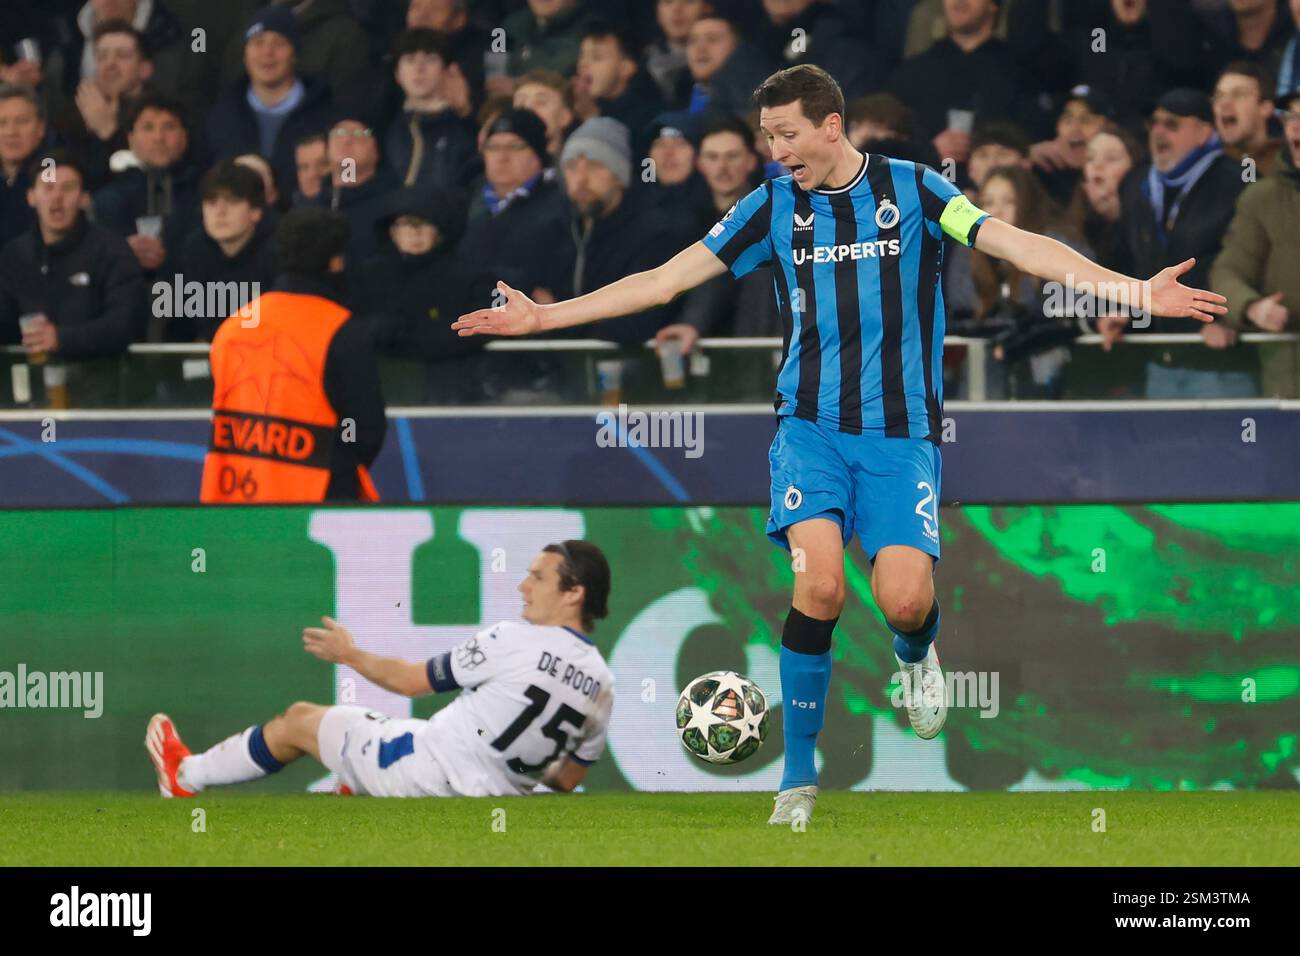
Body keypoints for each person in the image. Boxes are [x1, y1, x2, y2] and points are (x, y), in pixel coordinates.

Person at [453, 64, 1226, 826]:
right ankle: (797, 775)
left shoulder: (917, 190)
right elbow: (663, 280)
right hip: (808, 431)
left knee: (904, 599)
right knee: (819, 587)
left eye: (787, 134)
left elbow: (1019, 246)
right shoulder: (769, 207)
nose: (775, 150)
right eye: (766, 137)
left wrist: (1132, 291)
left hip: (900, 437)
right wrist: (546, 319)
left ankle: (916, 653)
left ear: (831, 125)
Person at [145, 541, 616, 799]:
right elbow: (568, 780)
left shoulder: (515, 639)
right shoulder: (601, 681)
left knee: (298, 720)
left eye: (537, 576)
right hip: (488, 787)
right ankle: (356, 780)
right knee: (375, 734)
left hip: (423, 771)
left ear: (573, 593)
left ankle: (185, 775)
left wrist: (348, 653)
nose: (523, 585)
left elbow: (410, 681)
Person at [200, 207, 386, 503]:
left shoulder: (234, 325)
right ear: (335, 262)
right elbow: (366, 429)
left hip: (236, 498)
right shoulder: (342, 329)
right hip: (319, 499)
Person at [1110, 89, 1254, 397]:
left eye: (1172, 124)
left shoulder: (1237, 183)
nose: (1159, 132)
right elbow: (1123, 258)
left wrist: (1230, 321)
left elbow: (1248, 262)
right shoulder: (1136, 185)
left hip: (1220, 358)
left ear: (1203, 132)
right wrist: (1115, 310)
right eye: (1155, 123)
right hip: (1158, 357)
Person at [0, 150, 145, 359]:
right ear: (31, 197)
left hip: (101, 382)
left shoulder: (112, 250)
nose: (57, 197)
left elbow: (126, 322)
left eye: (67, 188)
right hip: (32, 381)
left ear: (84, 198)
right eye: (48, 188)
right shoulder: (14, 255)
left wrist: (62, 339)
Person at [1211, 85, 1300, 397]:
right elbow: (1226, 273)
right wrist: (1251, 307)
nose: (1296, 125)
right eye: (1291, 115)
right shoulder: (1263, 198)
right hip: (1289, 387)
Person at [206, 6, 334, 202]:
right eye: (258, 43)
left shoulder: (327, 113)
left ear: (294, 54)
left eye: (279, 43)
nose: (267, 52)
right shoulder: (221, 115)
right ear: (244, 54)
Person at [93, 92, 202, 281]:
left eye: (169, 127)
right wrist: (122, 252)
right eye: (148, 127)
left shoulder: (205, 192)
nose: (159, 137)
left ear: (184, 136)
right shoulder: (108, 200)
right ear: (130, 138)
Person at [171, 159, 275, 342]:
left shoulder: (280, 250)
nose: (219, 212)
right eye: (211, 203)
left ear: (256, 211)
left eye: (232, 202)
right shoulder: (195, 250)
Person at [385, 28, 478, 191]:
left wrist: (465, 114)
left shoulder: (463, 127)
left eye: (430, 59)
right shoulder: (388, 128)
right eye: (409, 60)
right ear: (397, 75)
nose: (419, 69)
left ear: (447, 71)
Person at [0, 83, 49, 246]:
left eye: (21, 122)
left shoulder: (53, 171)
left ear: (41, 128)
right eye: (2, 123)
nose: (11, 132)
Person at [1213, 61, 1282, 178]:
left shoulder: (1288, 164)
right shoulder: (1205, 167)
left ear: (1265, 108)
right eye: (1219, 96)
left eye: (1239, 95)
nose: (1224, 103)